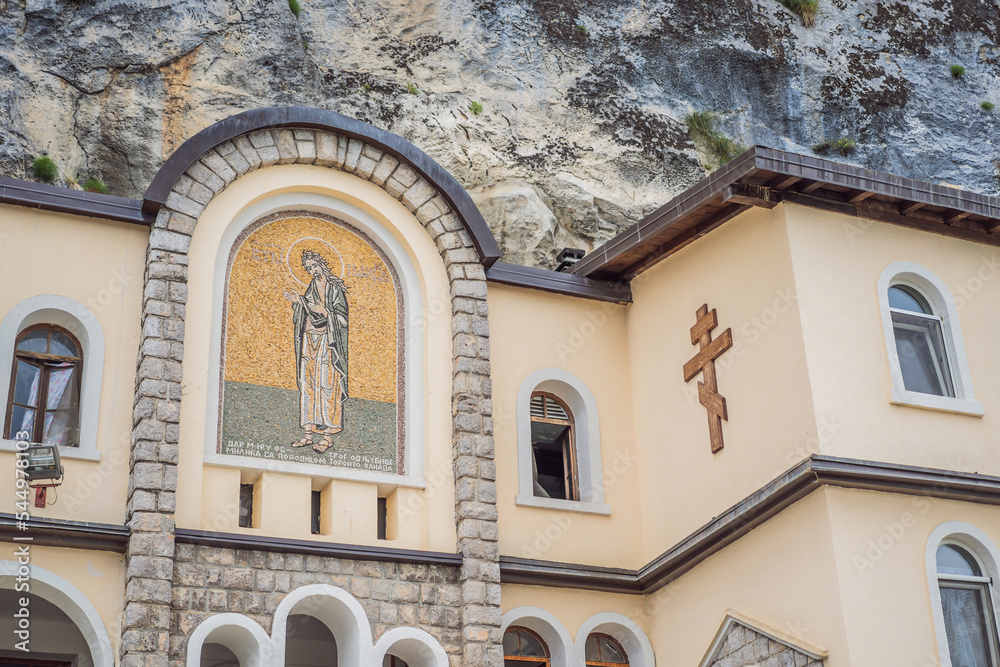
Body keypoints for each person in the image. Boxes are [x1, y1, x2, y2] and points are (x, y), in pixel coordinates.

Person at [282, 250, 349, 453]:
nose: (312, 271)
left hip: (328, 343)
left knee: (327, 385)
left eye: (314, 266)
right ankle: (308, 434)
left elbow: (343, 320)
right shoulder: (312, 287)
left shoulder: (335, 289)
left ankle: (327, 437)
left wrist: (326, 312)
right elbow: (309, 308)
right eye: (309, 268)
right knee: (309, 384)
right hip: (309, 339)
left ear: (322, 264)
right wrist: (299, 302)